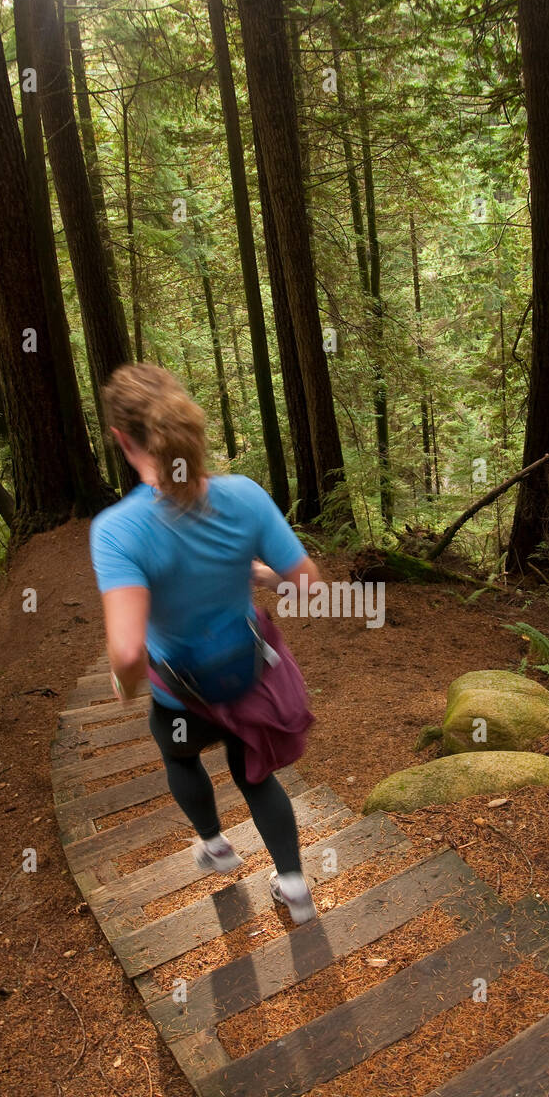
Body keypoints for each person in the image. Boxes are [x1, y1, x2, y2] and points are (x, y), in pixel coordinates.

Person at [89, 363, 322, 925]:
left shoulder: (118, 531)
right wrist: (265, 577)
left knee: (179, 754)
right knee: (256, 775)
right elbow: (311, 587)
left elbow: (125, 653)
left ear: (122, 440)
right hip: (244, 679)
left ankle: (214, 845)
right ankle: (294, 887)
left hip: (182, 697)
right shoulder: (244, 496)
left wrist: (123, 685)